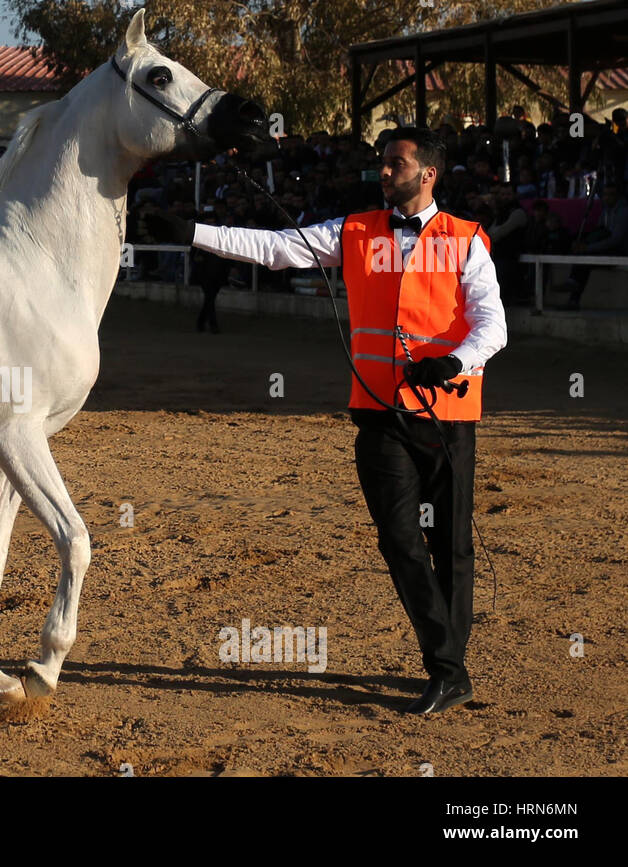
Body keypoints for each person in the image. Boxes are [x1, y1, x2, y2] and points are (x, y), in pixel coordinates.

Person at [152, 127, 508, 715]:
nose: (384, 172)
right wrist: (193, 233)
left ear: (428, 175)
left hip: (447, 416)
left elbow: (492, 325)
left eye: (397, 163)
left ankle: (450, 665)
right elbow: (273, 247)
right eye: (383, 162)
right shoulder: (355, 231)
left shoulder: (467, 239)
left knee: (452, 545)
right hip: (378, 413)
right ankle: (447, 667)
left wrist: (454, 360)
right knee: (399, 539)